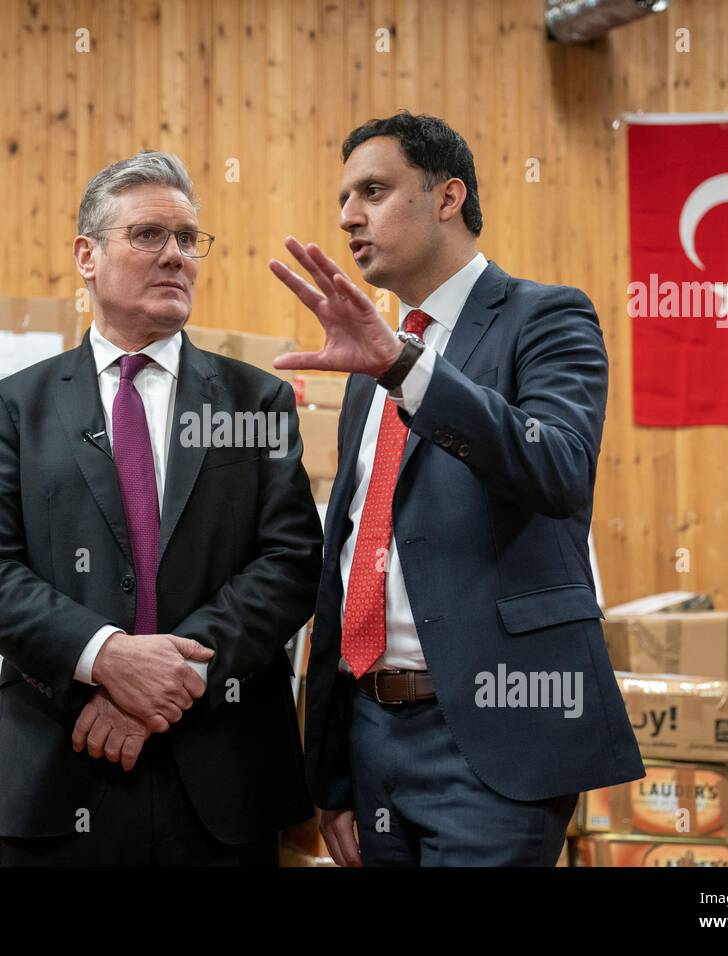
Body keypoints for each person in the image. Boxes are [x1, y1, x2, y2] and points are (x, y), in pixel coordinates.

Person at [271, 112, 644, 866]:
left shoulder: (546, 317)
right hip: (373, 742)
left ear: (448, 197)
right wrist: (333, 769)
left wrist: (405, 371)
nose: (348, 216)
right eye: (344, 197)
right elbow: (349, 554)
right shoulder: (370, 365)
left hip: (496, 734)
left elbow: (558, 467)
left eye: (373, 191)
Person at [0, 150, 322, 866]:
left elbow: (291, 564)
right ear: (86, 255)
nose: (176, 256)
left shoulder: (256, 401)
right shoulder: (18, 406)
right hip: (64, 770)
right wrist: (106, 659)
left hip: (225, 776)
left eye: (189, 239)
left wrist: (169, 680)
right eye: (149, 235)